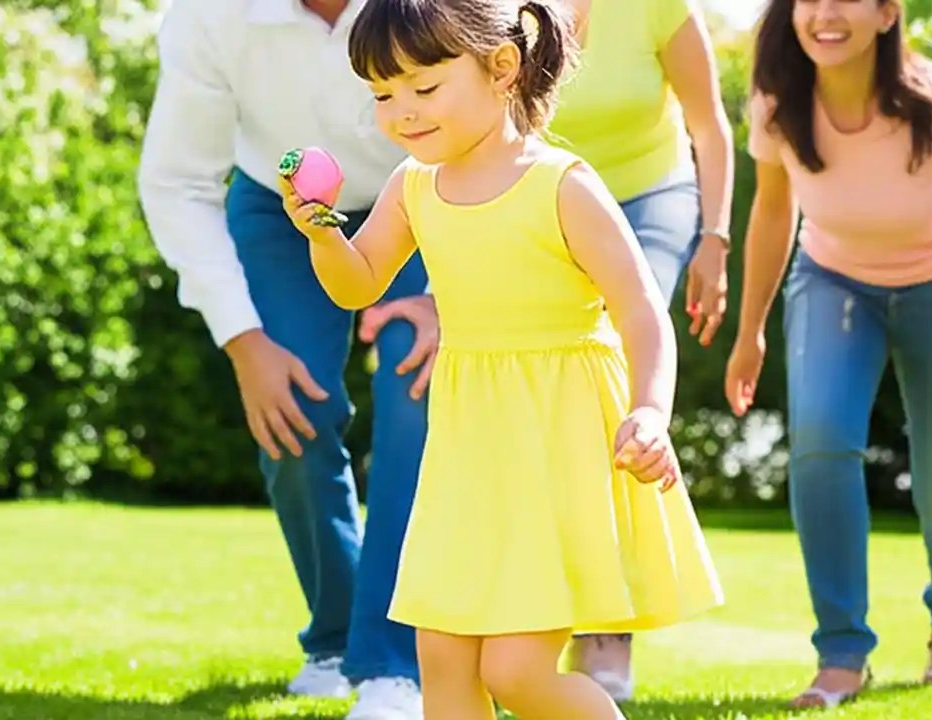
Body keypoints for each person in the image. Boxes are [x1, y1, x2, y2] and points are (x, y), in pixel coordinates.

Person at [279, 0, 725, 717]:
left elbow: (641, 310)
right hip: (468, 450)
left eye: (425, 87)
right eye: (383, 95)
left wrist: (649, 410)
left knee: (516, 671)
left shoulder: (562, 184)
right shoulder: (414, 185)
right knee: (443, 655)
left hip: (557, 443)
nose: (403, 111)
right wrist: (323, 234)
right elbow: (357, 283)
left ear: (502, 67)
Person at [138, 1, 436, 717]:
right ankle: (335, 638)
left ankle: (397, 663)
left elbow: (512, 113)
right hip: (282, 211)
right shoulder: (208, 15)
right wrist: (243, 341)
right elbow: (178, 182)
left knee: (416, 393)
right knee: (292, 410)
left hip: (434, 193)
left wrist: (452, 291)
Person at [728, 0, 932, 709]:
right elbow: (772, 208)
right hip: (833, 280)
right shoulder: (777, 103)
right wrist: (751, 331)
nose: (824, 14)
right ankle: (842, 655)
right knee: (819, 442)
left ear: (886, 14)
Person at [547, 0, 736, 698]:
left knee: (617, 359)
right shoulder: (497, 10)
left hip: (649, 196)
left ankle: (606, 623)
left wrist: (715, 239)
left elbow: (709, 125)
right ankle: (536, 606)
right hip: (544, 200)